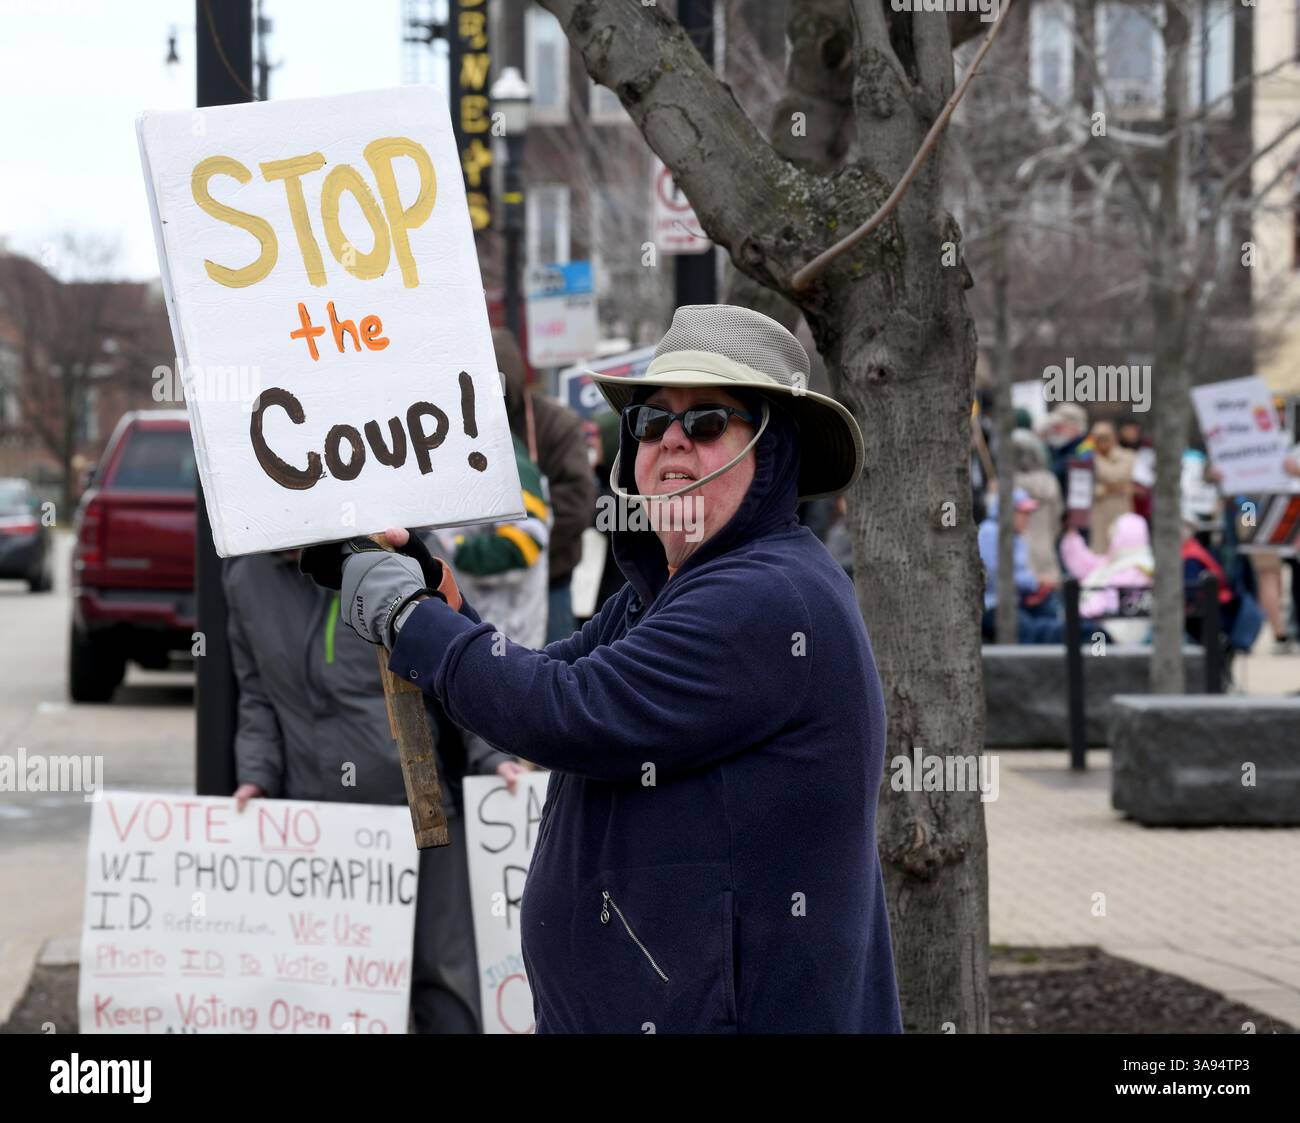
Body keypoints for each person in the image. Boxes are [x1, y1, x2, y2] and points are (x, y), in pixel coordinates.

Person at [302, 304, 901, 1034]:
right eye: (651, 420)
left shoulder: (769, 594)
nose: (672, 438)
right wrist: (431, 585)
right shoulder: (673, 590)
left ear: (771, 450)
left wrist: (408, 616)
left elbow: (564, 710)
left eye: (707, 420)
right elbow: (532, 678)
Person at [222, 549, 519, 1034]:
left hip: (421, 810)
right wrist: (257, 775)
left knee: (442, 977)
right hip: (316, 817)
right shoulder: (245, 574)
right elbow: (257, 693)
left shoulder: (396, 552)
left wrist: (493, 756)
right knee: (337, 982)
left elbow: (459, 662)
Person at [492, 329, 596, 645]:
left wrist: (514, 545)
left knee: (554, 666)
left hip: (550, 584)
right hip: (480, 587)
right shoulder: (459, 425)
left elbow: (578, 501)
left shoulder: (556, 424)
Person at [978, 488, 1063, 643]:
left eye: (1027, 513)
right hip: (994, 605)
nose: (1026, 518)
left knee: (1051, 615)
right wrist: (1036, 583)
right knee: (1032, 632)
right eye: (1022, 512)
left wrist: (1034, 589)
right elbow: (997, 576)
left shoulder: (1015, 536)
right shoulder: (989, 532)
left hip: (1016, 601)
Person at [1060, 512, 1154, 644]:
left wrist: (1079, 611)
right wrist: (1072, 538)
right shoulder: (1120, 562)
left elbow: (1108, 602)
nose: (1112, 539)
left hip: (1113, 636)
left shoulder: (1139, 568)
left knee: (1065, 634)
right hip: (1103, 629)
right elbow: (1086, 565)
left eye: (1116, 535)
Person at [1010, 429, 1063, 585]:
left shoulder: (1008, 484)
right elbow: (1057, 517)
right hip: (1045, 547)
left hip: (1018, 552)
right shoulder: (1049, 481)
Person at [1088, 421, 1136, 553]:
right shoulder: (1087, 457)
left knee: (1121, 550)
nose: (1101, 441)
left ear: (1114, 437)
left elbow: (1116, 476)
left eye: (1105, 437)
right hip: (1098, 516)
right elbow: (1087, 489)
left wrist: (1096, 460)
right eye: (1097, 438)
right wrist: (1106, 490)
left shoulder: (1127, 455)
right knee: (1098, 552)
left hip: (1120, 511)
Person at [1044, 403, 1091, 498]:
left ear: (1074, 427)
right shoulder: (1058, 446)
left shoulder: (1086, 447)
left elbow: (1057, 471)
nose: (1054, 430)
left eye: (1059, 426)